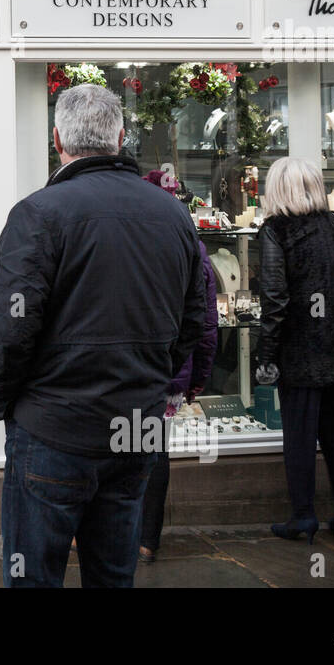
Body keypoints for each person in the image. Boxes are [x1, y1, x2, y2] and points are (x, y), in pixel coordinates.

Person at [0, 84, 206, 588]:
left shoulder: (39, 213)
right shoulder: (171, 213)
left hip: (54, 426)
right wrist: (152, 378)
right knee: (112, 574)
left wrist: (2, 401)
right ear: (121, 137)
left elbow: (10, 327)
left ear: (56, 139)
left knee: (33, 576)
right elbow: (196, 318)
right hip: (132, 425)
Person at [255, 156, 334, 543]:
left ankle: (303, 516)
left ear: (276, 189)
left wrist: (266, 357)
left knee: (299, 439)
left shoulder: (275, 230)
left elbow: (275, 300)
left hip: (299, 354)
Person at [138, 169, 218, 565]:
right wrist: (199, 375)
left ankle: (119, 531)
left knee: (116, 445)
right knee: (154, 450)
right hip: (170, 372)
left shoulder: (129, 242)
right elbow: (205, 322)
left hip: (128, 368)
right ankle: (147, 538)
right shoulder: (192, 246)